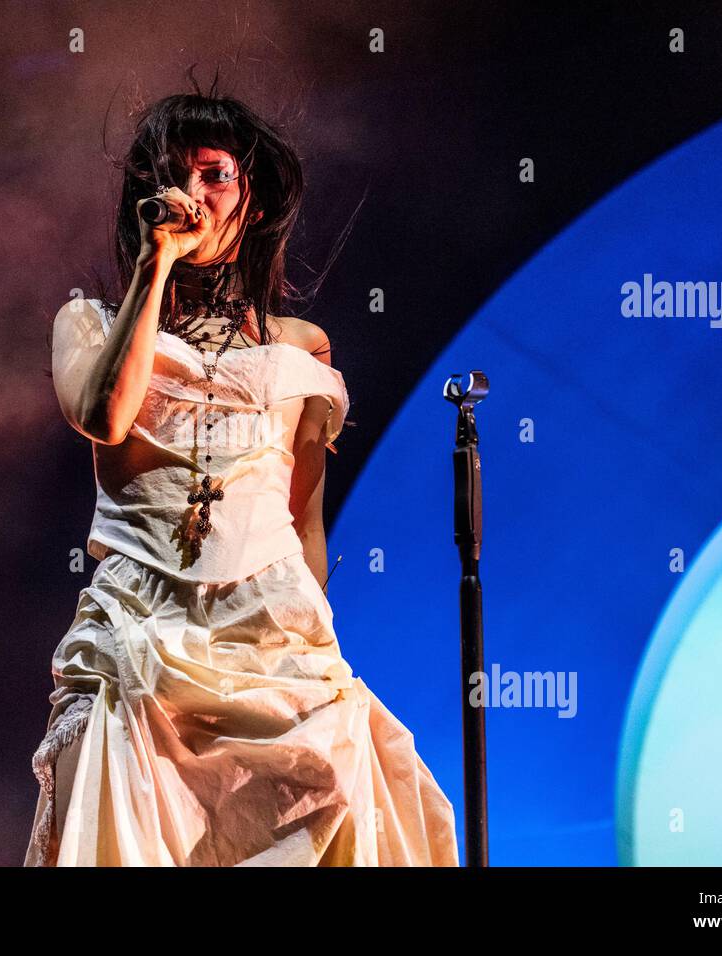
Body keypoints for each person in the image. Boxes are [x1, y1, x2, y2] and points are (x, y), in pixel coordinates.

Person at [26, 88, 459, 866]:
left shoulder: (301, 346)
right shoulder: (88, 322)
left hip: (272, 636)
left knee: (329, 800)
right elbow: (106, 415)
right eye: (170, 178)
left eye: (214, 176)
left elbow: (304, 521)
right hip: (142, 631)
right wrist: (156, 265)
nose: (190, 196)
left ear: (252, 202)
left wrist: (319, 652)